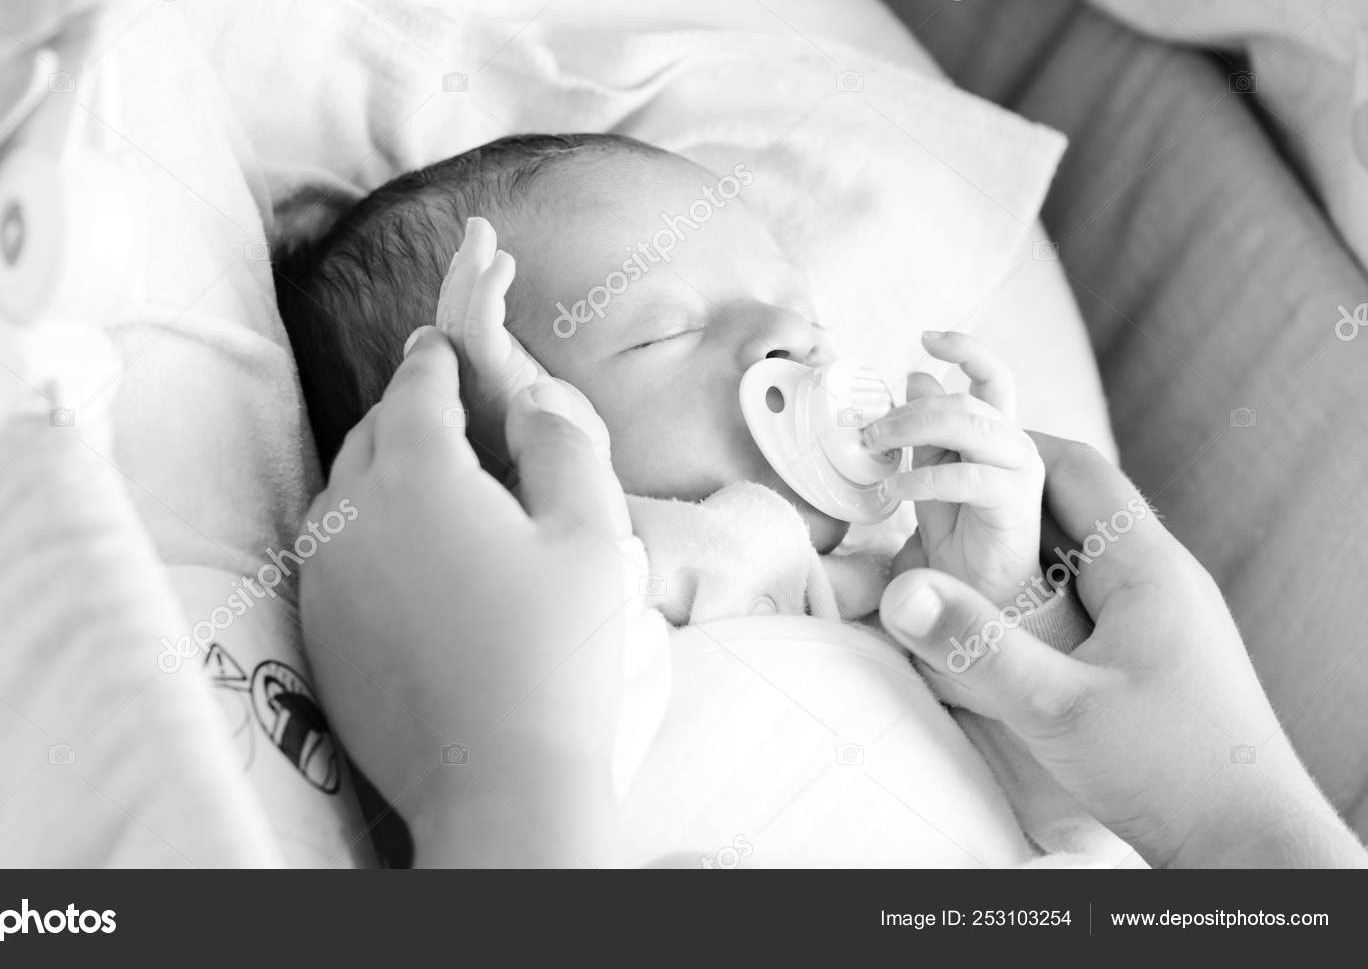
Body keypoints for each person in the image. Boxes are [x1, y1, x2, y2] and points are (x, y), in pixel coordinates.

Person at [300, 326, 1368, 868]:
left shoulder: (893, 605)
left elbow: (1074, 812)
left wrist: (1016, 609)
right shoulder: (625, 585)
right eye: (665, 329)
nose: (793, 337)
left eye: (803, 314)